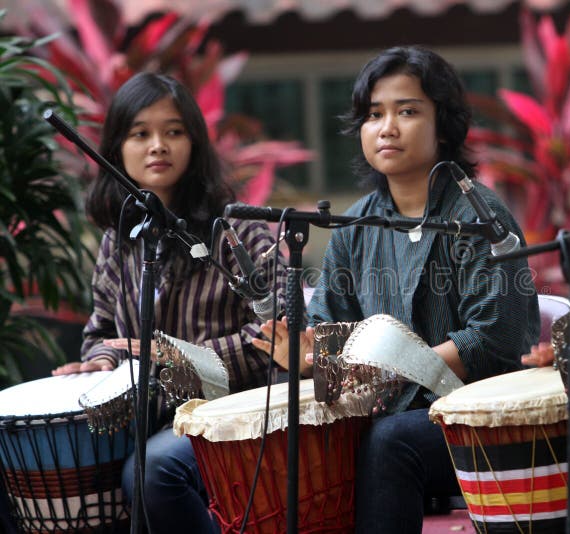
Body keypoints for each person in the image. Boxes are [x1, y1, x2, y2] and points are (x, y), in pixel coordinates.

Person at [255, 45, 540, 533]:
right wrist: (309, 356)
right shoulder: (356, 223)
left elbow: (497, 338)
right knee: (286, 434)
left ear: (443, 124)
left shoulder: (478, 217)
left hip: (471, 413)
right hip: (384, 411)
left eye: (407, 111)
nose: (387, 127)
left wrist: (392, 368)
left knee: (389, 440)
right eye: (374, 114)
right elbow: (331, 323)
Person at [51, 72, 284, 534]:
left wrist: (182, 359)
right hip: (149, 417)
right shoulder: (119, 239)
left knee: (154, 470)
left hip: (229, 416)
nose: (158, 145)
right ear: (117, 148)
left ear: (195, 144)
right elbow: (102, 332)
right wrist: (99, 363)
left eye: (173, 132)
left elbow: (274, 333)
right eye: (140, 134)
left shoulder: (239, 234)